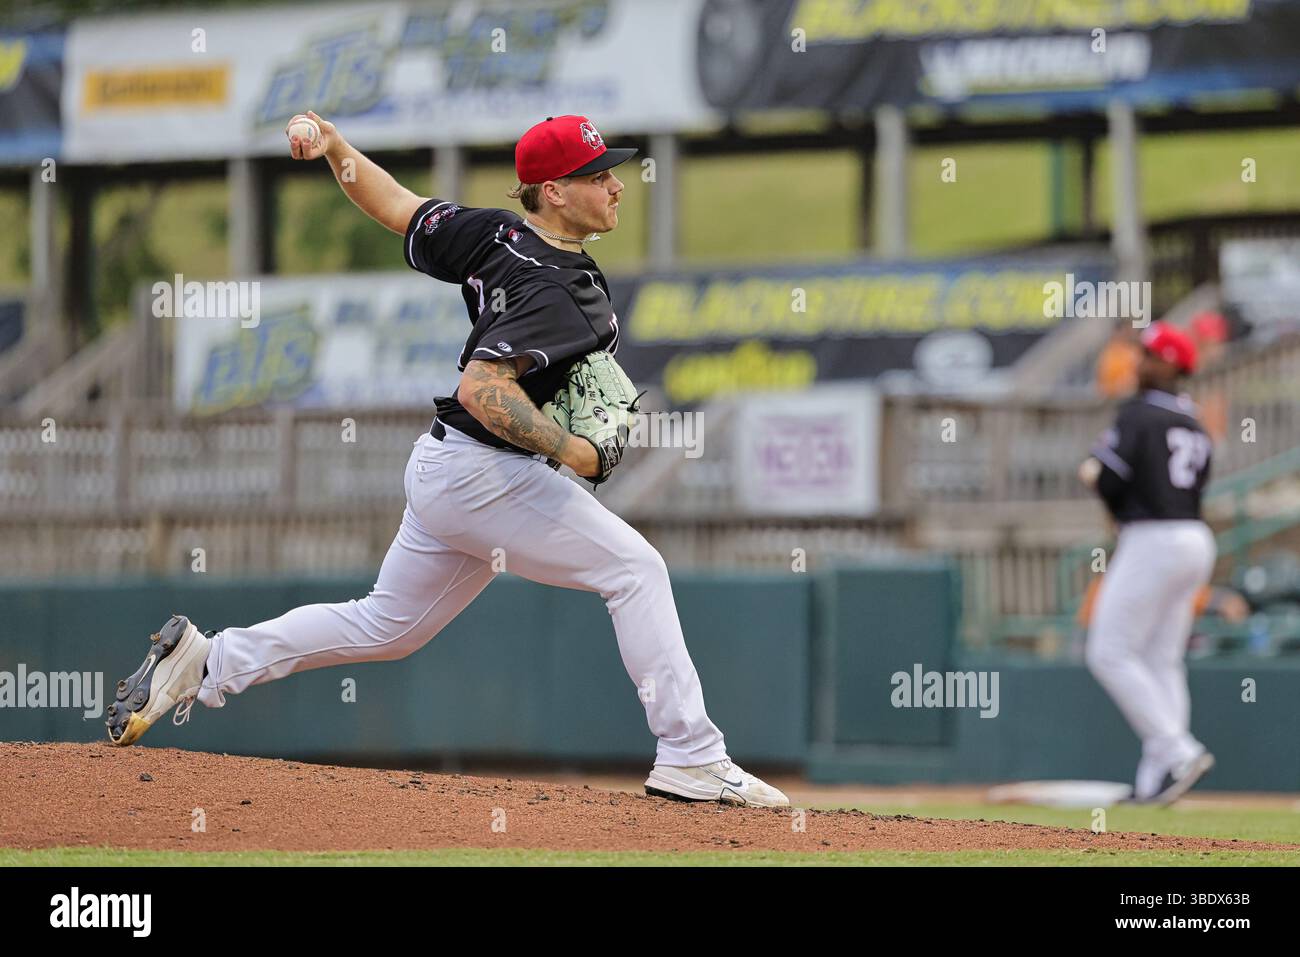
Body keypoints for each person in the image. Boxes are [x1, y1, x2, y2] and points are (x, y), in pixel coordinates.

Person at [105, 112, 789, 809]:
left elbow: (396, 206)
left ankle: (209, 658)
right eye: (597, 174)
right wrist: (572, 448)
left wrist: (337, 147)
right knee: (636, 569)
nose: (617, 185)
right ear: (553, 191)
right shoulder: (560, 289)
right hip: (485, 474)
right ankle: (691, 755)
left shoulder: (498, 233)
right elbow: (482, 386)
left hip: (445, 466)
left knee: (384, 625)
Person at [1078, 321, 1216, 804]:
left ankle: (1176, 750)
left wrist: (1097, 483)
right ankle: (1157, 778)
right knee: (1161, 657)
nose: (1140, 362)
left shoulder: (1139, 414)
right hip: (1195, 537)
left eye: (1150, 355)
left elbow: (1109, 479)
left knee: (1107, 651)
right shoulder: (1193, 419)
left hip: (1154, 537)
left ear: (1173, 363)